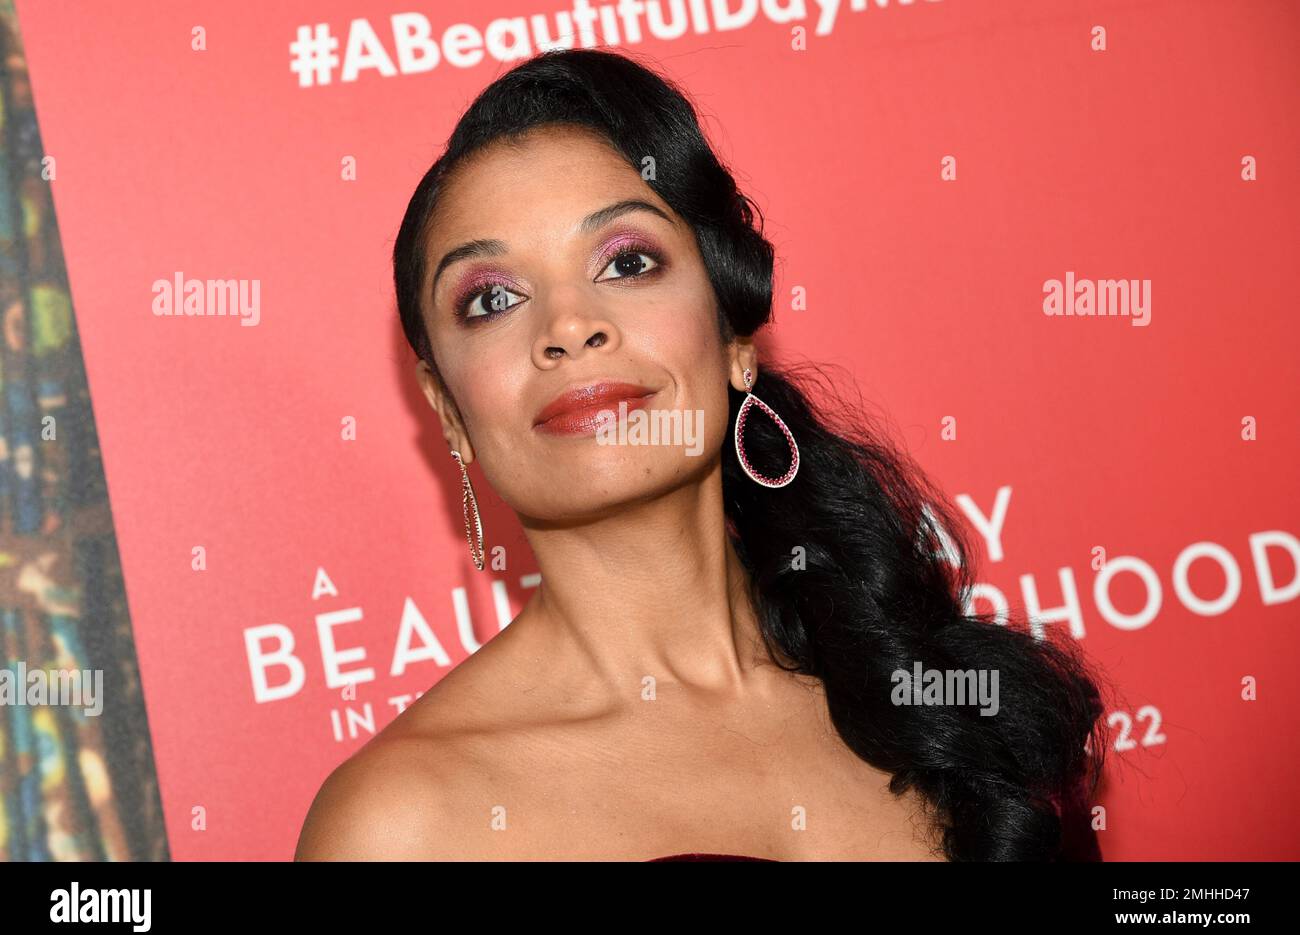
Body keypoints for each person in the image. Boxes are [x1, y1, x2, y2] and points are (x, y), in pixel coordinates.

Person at [295, 47, 1108, 862]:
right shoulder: (396, 826)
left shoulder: (934, 700)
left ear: (733, 342)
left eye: (627, 262)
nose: (569, 327)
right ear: (450, 413)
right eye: (492, 299)